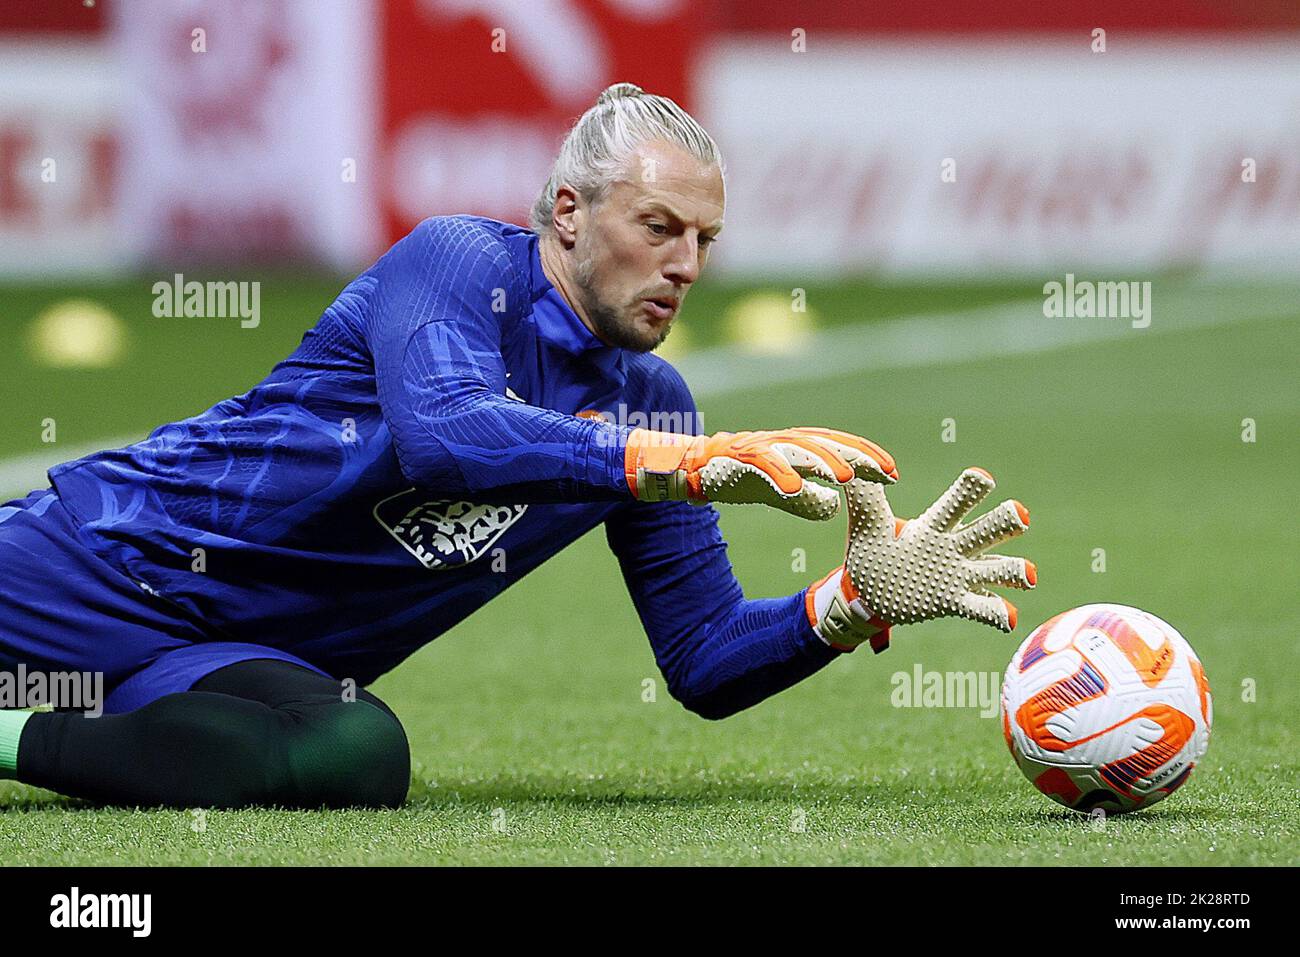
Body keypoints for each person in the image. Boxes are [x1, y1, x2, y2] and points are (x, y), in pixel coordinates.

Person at [0, 84, 1034, 809]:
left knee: (358, 753)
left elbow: (704, 661)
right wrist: (666, 462)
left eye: (704, 241)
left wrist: (845, 604)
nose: (685, 264)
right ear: (570, 213)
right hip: (77, 569)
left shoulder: (654, 402)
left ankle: (14, 736)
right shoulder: (455, 265)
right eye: (660, 226)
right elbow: (450, 439)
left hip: (205, 666)